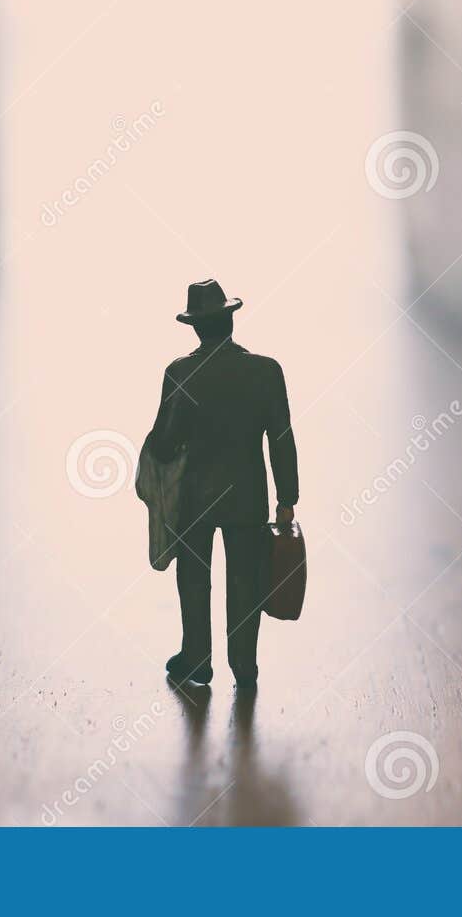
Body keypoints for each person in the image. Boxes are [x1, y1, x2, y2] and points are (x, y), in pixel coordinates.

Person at [144, 279, 298, 690]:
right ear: (230, 321)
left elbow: (162, 445)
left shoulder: (180, 373)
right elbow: (281, 438)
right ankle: (244, 665)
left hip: (194, 498)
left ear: (194, 327)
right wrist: (288, 498)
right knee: (245, 580)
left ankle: (196, 657)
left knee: (194, 579)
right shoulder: (266, 371)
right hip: (247, 496)